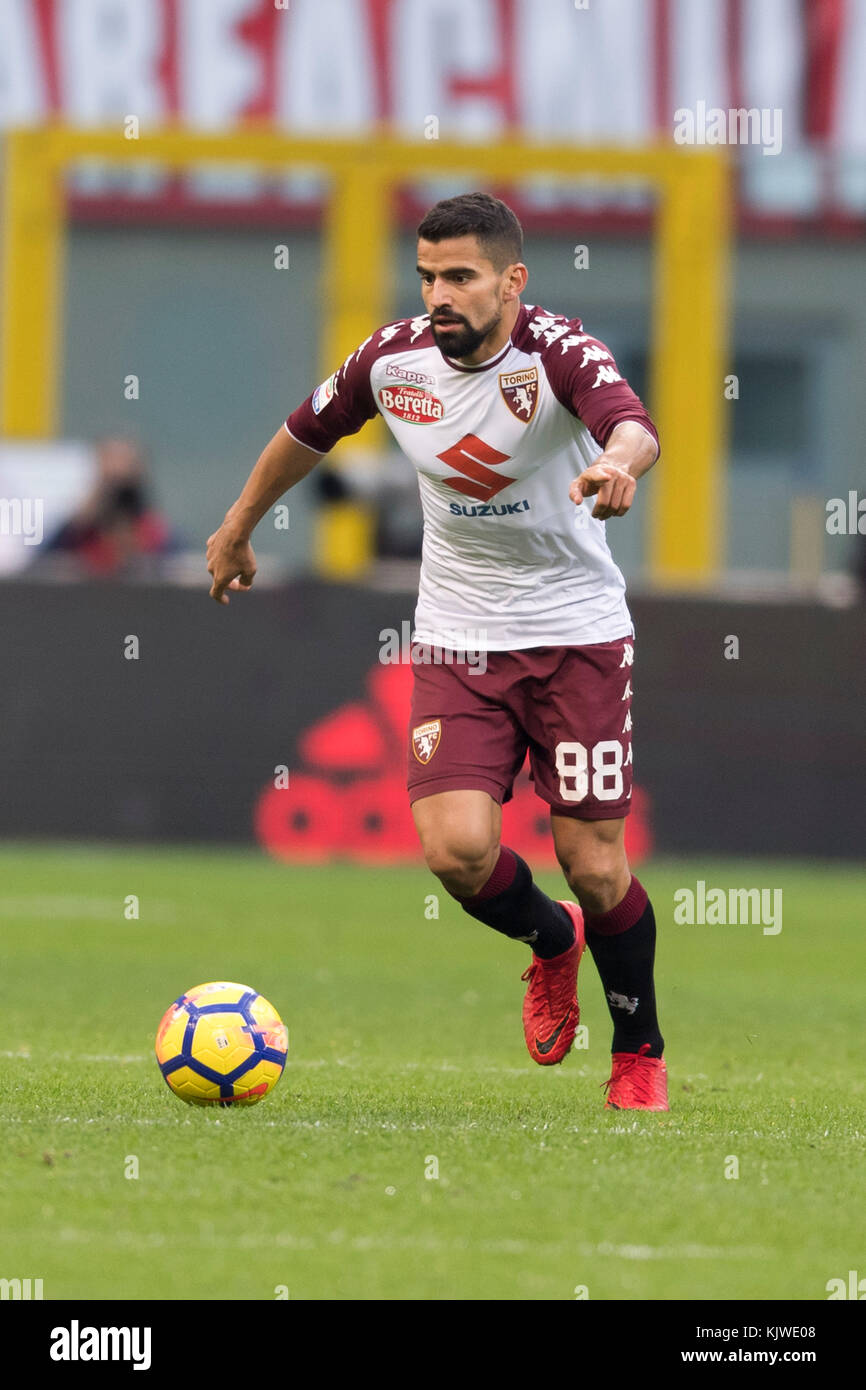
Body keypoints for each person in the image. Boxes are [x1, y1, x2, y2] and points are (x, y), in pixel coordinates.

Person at [207, 192, 668, 1110]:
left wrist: (619, 466)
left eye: (459, 276)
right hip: (459, 636)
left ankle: (638, 1051)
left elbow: (632, 424)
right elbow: (306, 433)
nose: (439, 295)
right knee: (457, 853)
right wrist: (238, 523)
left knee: (596, 863)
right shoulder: (393, 359)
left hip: (576, 634)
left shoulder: (559, 353)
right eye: (427, 276)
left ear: (511, 280)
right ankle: (551, 943)